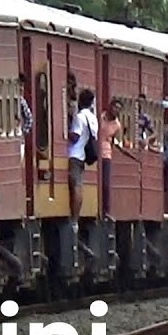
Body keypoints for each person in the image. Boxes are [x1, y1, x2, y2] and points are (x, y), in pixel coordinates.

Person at [67, 88, 98, 232]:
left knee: (76, 187)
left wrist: (67, 132)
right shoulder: (93, 118)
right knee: (78, 186)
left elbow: (75, 136)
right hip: (84, 156)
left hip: (75, 154)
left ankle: (74, 219)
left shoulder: (79, 117)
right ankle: (75, 218)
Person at [99, 97, 123, 214]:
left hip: (106, 154)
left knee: (106, 183)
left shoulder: (117, 125)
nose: (116, 110)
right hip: (95, 151)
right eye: (115, 107)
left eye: (119, 109)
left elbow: (116, 140)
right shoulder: (100, 117)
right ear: (110, 107)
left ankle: (106, 210)